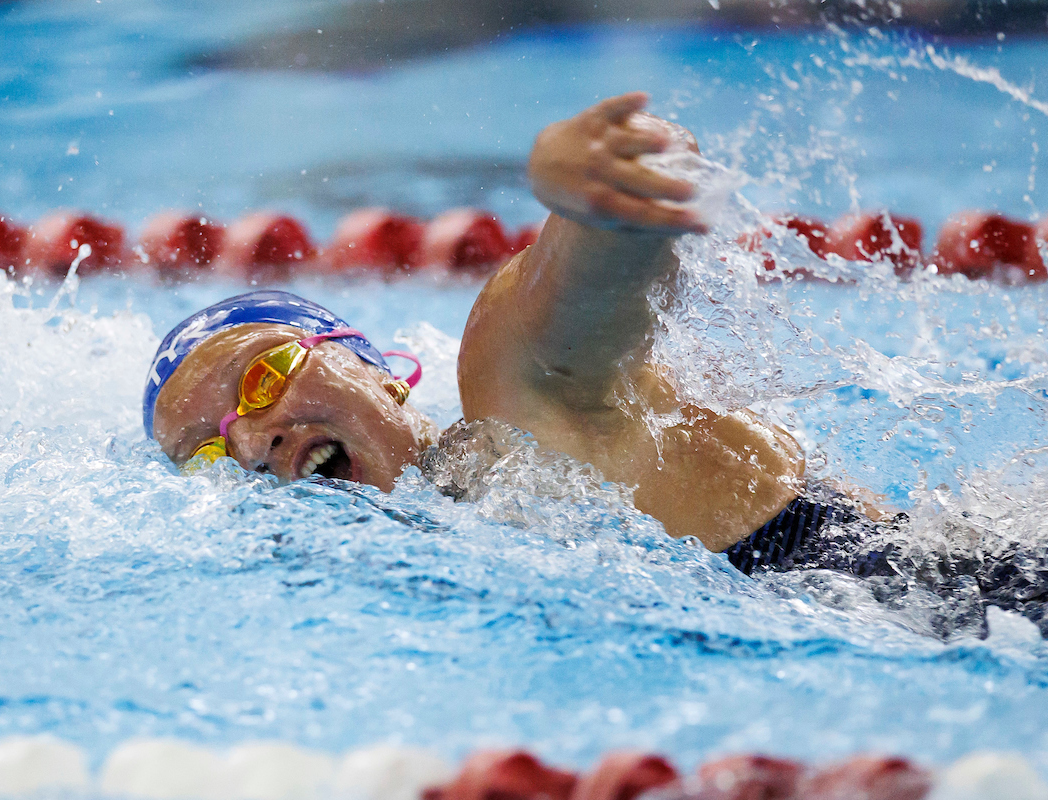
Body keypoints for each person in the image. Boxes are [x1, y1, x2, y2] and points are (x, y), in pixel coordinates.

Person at [143, 93, 904, 581]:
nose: (250, 444)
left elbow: (588, 281)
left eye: (264, 377)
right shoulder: (441, 553)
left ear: (374, 369)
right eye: (207, 450)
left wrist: (595, 187)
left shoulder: (520, 415)